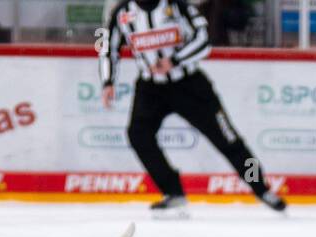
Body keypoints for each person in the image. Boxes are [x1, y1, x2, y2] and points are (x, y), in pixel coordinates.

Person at [98, 0, 285, 218]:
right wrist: (107, 81)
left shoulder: (179, 6)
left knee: (229, 140)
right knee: (138, 135)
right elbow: (106, 48)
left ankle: (262, 188)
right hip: (150, 88)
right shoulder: (121, 13)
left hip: (190, 86)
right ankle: (172, 192)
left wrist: (175, 60)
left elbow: (204, 40)